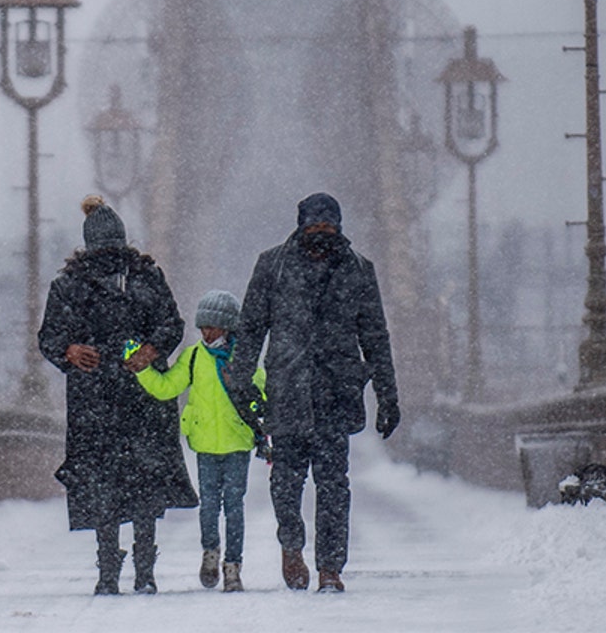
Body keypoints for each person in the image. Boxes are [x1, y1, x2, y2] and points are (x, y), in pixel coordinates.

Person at [226, 192, 399, 594]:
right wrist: (241, 380)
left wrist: (388, 395)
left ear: (339, 226)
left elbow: (375, 335)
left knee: (333, 484)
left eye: (329, 225)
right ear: (302, 225)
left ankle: (330, 567)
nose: (322, 232)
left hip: (336, 394)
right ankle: (291, 545)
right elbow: (251, 327)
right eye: (315, 225)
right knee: (286, 482)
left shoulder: (358, 270)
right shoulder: (272, 266)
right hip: (287, 389)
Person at [37, 196, 197, 595]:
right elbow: (49, 337)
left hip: (136, 397)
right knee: (108, 484)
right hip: (100, 400)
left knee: (133, 482)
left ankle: (141, 568)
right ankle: (112, 568)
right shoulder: (69, 286)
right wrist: (69, 350)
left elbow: (171, 324)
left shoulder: (145, 278)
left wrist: (151, 349)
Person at [135, 289, 269, 593]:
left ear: (229, 327)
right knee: (209, 506)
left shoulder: (242, 358)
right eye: (204, 327)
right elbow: (168, 387)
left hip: (236, 444)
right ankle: (212, 554)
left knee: (233, 506)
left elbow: (260, 390)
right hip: (205, 444)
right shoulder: (194, 356)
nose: (208, 333)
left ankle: (232, 565)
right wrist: (142, 370)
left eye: (214, 327)